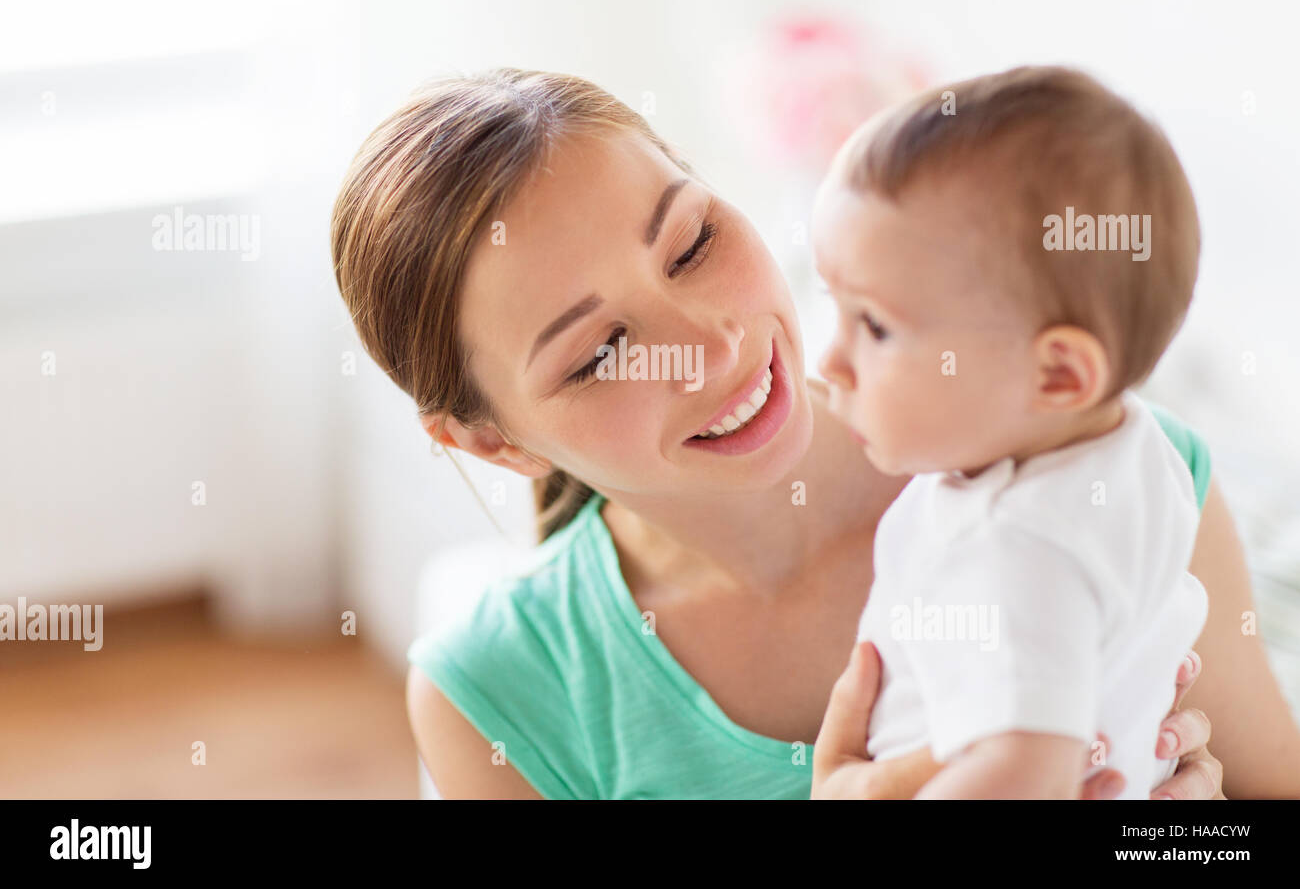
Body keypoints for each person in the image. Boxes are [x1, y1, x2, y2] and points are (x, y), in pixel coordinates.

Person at [329, 68, 1300, 798]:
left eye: (693, 242)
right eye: (599, 352)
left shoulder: (1106, 470)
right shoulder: (496, 695)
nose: (709, 342)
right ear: (496, 443)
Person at [812, 65, 1208, 797]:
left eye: (874, 325)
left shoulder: (1012, 541)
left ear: (1058, 375)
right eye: (830, 304)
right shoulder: (1134, 448)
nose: (830, 362)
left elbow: (1019, 775)